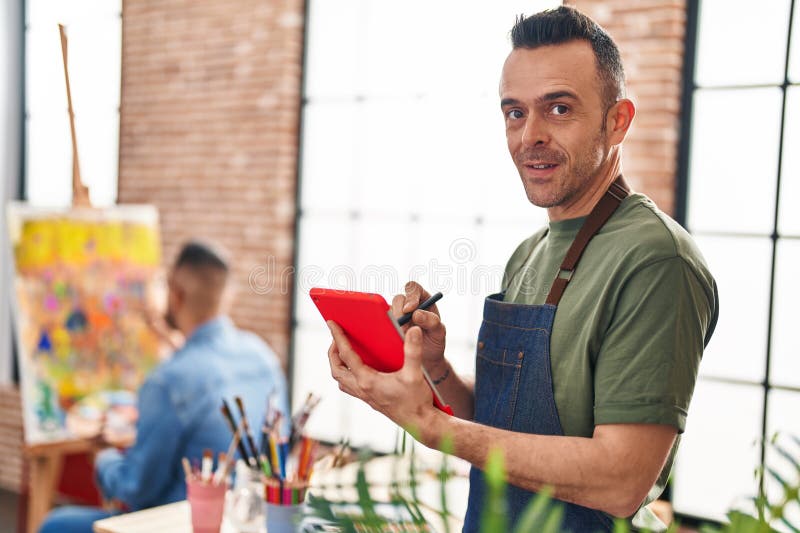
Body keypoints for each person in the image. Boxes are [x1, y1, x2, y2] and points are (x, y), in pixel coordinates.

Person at [325, 6, 718, 532]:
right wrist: (435, 370)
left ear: (618, 121)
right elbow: (497, 424)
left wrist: (425, 424)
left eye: (558, 109)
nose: (529, 134)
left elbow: (623, 481)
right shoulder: (530, 251)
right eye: (515, 112)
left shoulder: (656, 261)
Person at [39, 241, 289, 533]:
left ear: (176, 294)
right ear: (225, 296)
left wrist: (103, 458)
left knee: (55, 525)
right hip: (247, 519)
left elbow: (134, 488)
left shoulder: (168, 381)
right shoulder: (262, 356)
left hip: (177, 523)